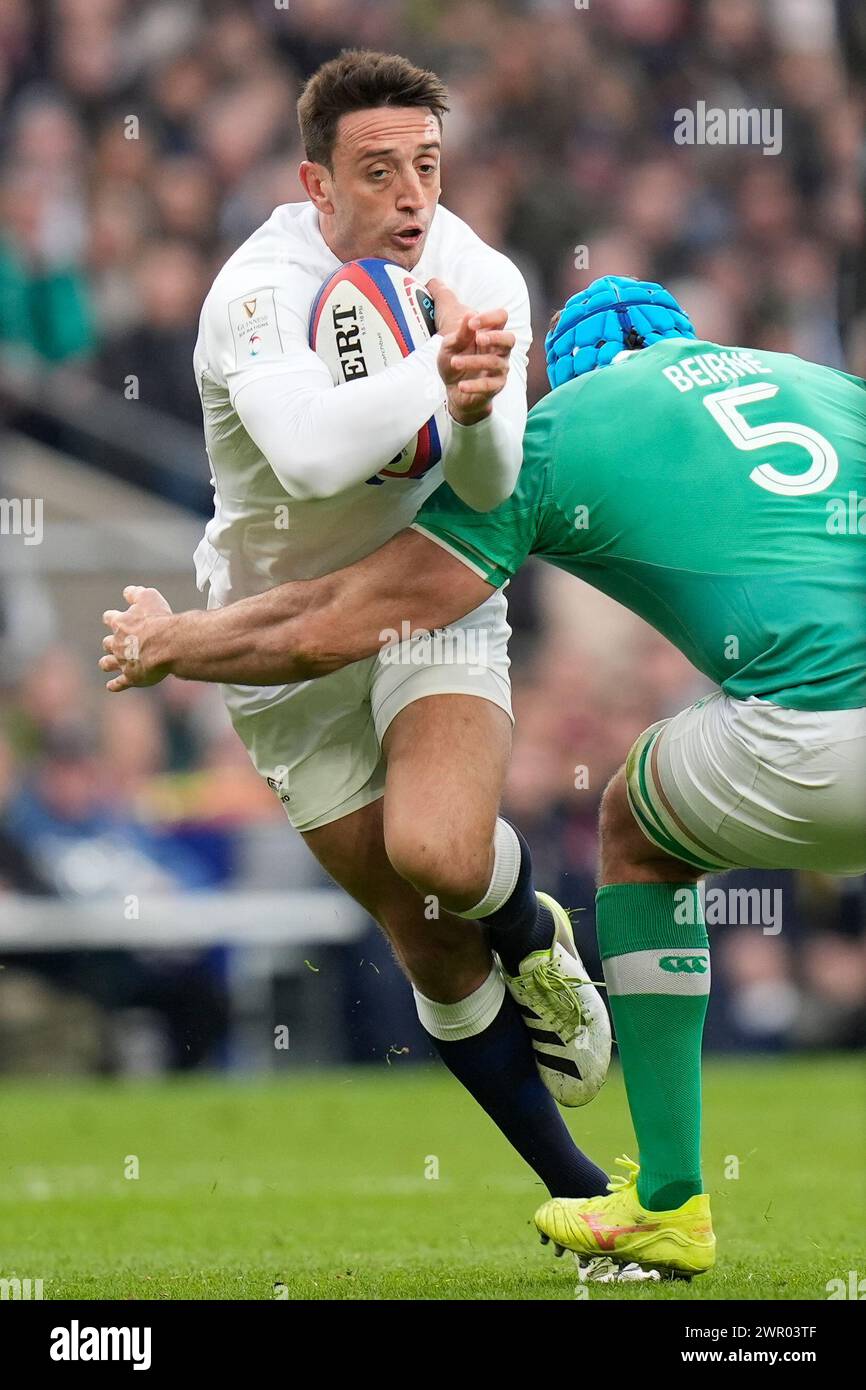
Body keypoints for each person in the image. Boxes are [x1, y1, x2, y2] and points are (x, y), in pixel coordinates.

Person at [102, 274, 866, 1277]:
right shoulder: (819, 384)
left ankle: (669, 1203)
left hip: (814, 733)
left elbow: (329, 626)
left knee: (637, 822)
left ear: (572, 371)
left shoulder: (559, 429)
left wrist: (176, 641)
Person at [116, 47, 615, 1207]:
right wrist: (442, 373)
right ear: (315, 184)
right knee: (422, 930)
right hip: (276, 628)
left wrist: (478, 401)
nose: (410, 197)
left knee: (438, 854)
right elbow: (306, 452)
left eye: (426, 168)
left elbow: (490, 491)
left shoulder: (481, 271)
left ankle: (529, 931)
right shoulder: (252, 290)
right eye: (378, 171)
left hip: (425, 591)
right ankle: (580, 1191)